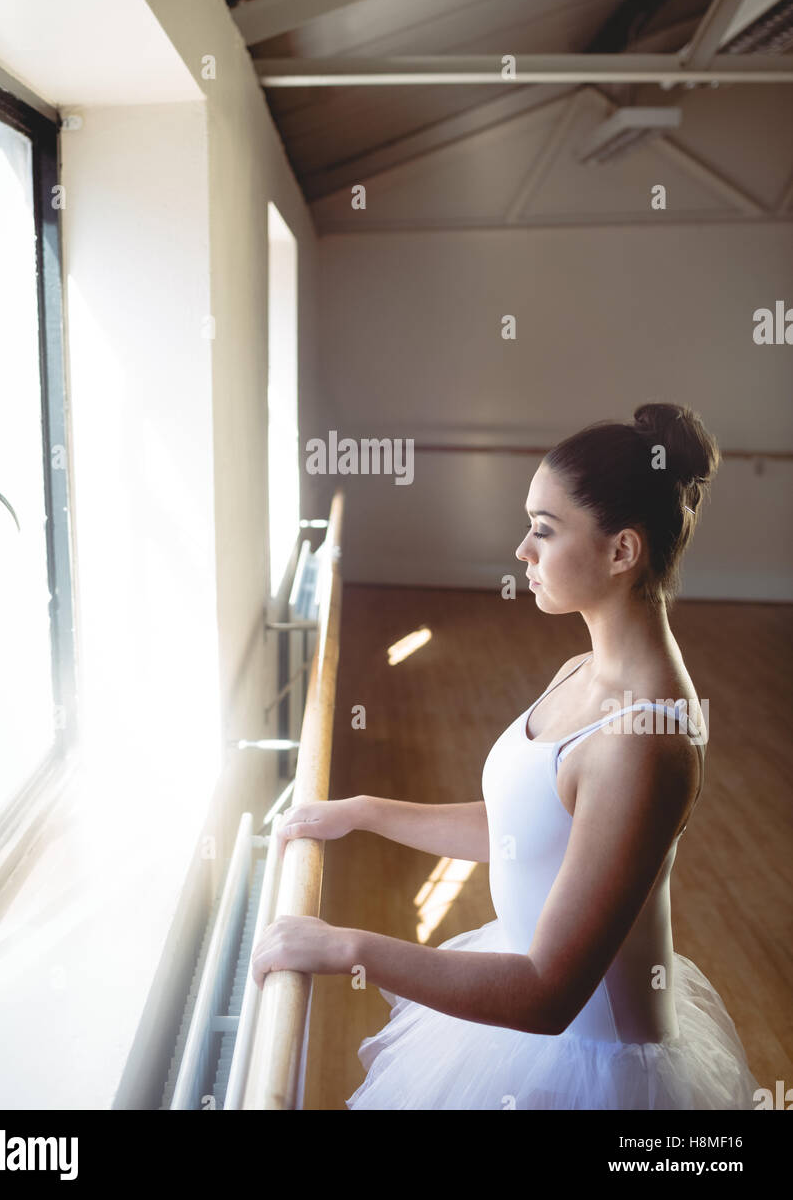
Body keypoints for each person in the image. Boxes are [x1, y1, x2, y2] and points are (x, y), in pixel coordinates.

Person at [251, 402, 760, 1109]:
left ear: (622, 552)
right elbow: (526, 834)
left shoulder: (643, 744)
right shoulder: (585, 668)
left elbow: (549, 994)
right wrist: (362, 812)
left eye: (544, 532)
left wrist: (349, 948)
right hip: (527, 1028)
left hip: (586, 1071)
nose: (522, 550)